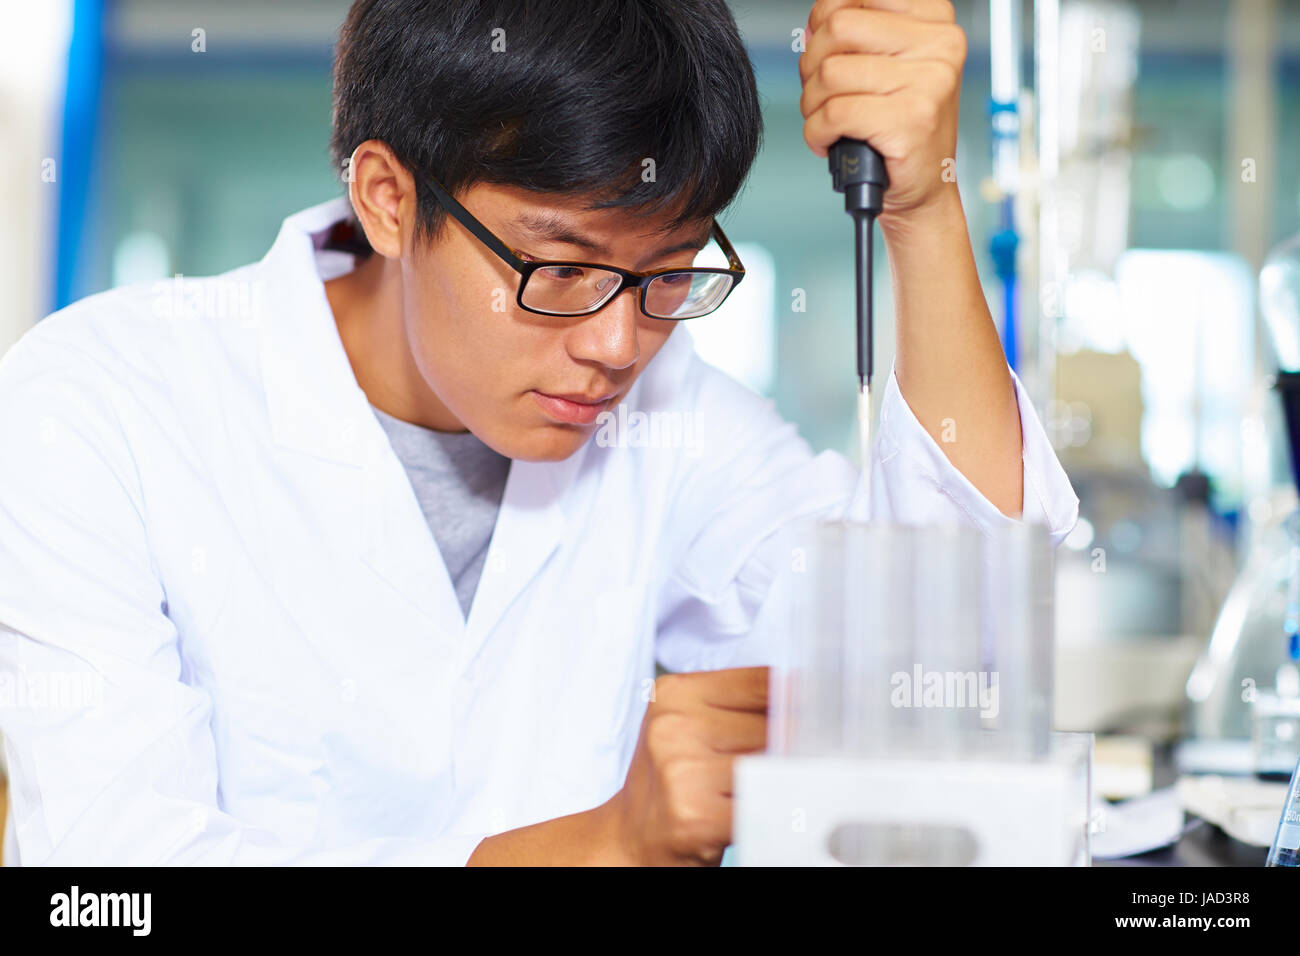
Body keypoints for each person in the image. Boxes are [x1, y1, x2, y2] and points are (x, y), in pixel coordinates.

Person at [0, 0, 1078, 866]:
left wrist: (921, 209)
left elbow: (953, 647)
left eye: (668, 275)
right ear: (384, 195)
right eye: (559, 267)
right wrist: (601, 845)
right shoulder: (98, 406)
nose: (618, 343)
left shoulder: (675, 419)